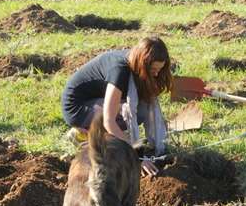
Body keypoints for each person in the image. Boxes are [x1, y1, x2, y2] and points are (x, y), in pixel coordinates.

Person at [61, 36, 173, 176]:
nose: (156, 73)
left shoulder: (135, 62)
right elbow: (109, 121)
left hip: (97, 98)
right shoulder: (120, 70)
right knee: (128, 115)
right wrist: (136, 156)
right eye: (153, 69)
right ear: (143, 63)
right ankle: (82, 135)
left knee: (141, 110)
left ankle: (111, 136)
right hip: (77, 106)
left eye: (159, 69)